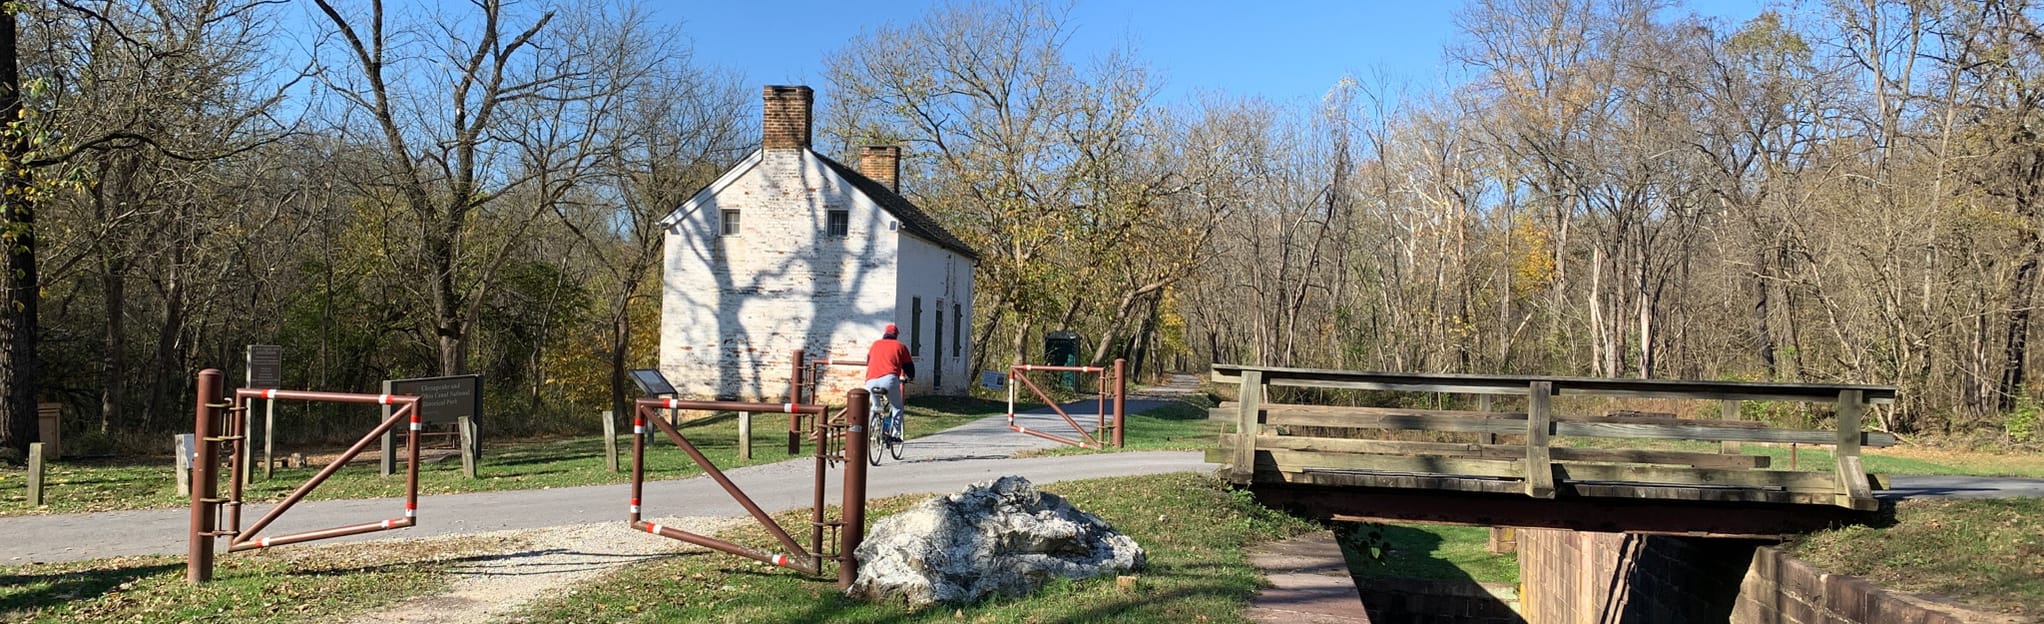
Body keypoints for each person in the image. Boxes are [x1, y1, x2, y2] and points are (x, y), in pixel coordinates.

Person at [864, 323, 915, 443]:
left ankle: (871, 430)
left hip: (871, 380)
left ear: (884, 334)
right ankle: (895, 435)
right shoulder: (900, 346)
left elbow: (868, 361)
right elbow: (908, 366)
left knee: (875, 407)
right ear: (896, 335)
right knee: (897, 406)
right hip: (889, 379)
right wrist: (911, 377)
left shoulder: (875, 345)